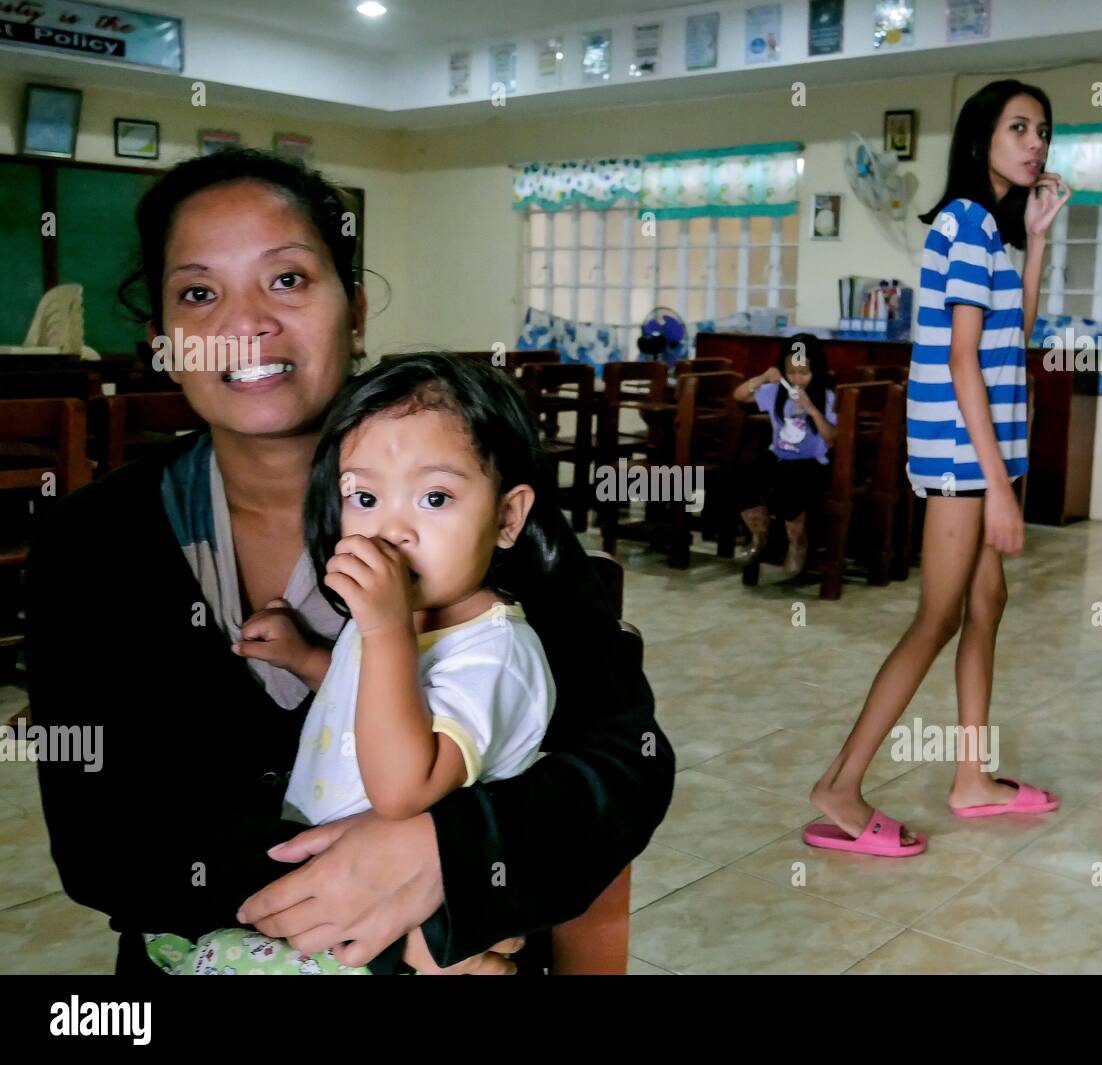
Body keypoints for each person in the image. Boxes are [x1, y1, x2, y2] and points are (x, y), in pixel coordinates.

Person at [26, 149, 673, 975]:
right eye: (198, 293)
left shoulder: (483, 516)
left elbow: (629, 761)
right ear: (162, 343)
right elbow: (99, 842)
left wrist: (450, 855)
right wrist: (366, 882)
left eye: (287, 280)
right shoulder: (93, 539)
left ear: (356, 309)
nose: (246, 323)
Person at [145, 353, 558, 974]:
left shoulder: (494, 654)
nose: (392, 530)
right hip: (337, 876)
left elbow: (402, 789)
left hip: (398, 911)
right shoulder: (395, 622)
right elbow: (362, 696)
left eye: (435, 497)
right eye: (364, 496)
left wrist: (384, 629)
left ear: (506, 517)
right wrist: (308, 658)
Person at [805, 80, 1070, 857]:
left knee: (986, 605)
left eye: (1043, 131)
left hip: (978, 453)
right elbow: (962, 363)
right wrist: (997, 489)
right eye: (1019, 127)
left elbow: (1009, 334)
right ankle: (840, 785)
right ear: (980, 137)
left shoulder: (991, 231)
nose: (1035, 143)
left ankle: (970, 779)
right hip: (962, 454)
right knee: (937, 617)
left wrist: (1040, 239)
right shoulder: (960, 222)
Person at [732, 333, 838, 577]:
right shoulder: (774, 392)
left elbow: (832, 439)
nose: (797, 378)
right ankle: (760, 536)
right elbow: (739, 395)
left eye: (804, 372)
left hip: (812, 463)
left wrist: (811, 409)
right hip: (778, 456)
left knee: (789, 486)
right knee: (739, 476)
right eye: (791, 372)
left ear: (817, 370)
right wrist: (763, 378)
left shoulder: (826, 397)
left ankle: (797, 541)